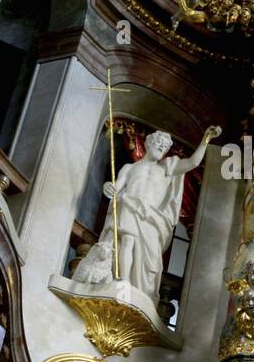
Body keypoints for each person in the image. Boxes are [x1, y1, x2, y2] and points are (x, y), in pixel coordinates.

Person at [74, 127, 219, 301]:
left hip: (151, 219)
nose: (162, 147)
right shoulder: (129, 168)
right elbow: (116, 187)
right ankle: (122, 281)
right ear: (148, 143)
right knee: (126, 241)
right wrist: (108, 187)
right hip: (128, 206)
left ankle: (136, 291)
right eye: (159, 142)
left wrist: (206, 139)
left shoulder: (167, 167)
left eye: (165, 146)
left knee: (150, 265)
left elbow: (193, 163)